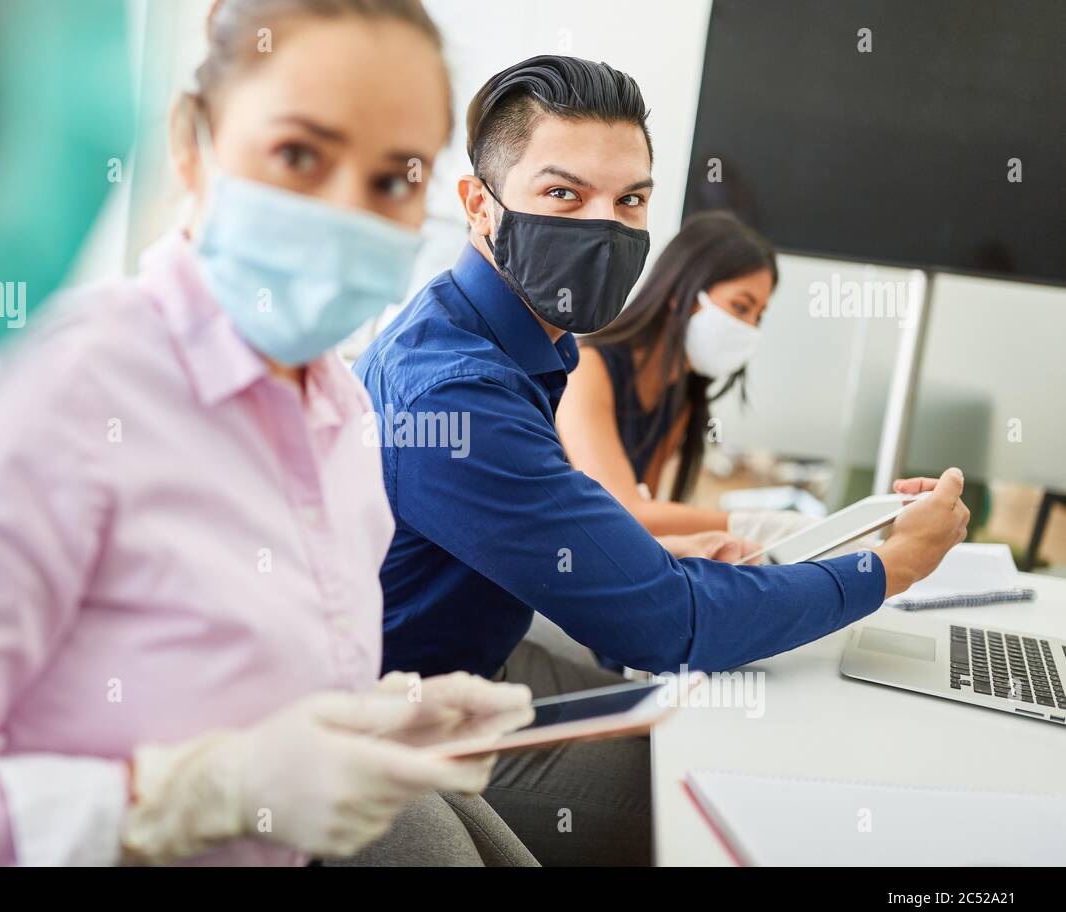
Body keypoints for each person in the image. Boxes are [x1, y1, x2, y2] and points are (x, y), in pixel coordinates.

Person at [0, 0, 531, 868]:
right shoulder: (49, 398)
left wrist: (373, 723)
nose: (348, 212)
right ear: (190, 143)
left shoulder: (343, 419)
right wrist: (183, 796)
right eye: (299, 154)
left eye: (394, 178)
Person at [354, 54, 969, 865]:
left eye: (631, 200)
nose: (603, 228)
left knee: (718, 717)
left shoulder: (507, 337)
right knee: (712, 791)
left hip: (481, 660)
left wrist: (657, 551)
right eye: (563, 194)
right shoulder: (457, 391)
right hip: (406, 718)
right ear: (480, 205)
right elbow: (670, 623)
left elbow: (554, 513)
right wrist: (889, 569)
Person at [555, 209, 816, 547]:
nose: (750, 328)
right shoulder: (587, 368)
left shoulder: (681, 397)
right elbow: (624, 511)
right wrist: (759, 526)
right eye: (740, 307)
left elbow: (646, 514)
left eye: (758, 316)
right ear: (683, 293)